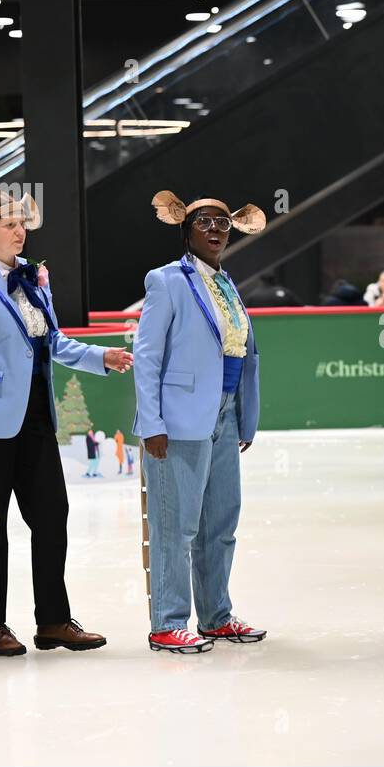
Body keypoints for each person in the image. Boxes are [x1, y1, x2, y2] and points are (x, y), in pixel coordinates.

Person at [0, 186, 133, 657]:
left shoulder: (35, 280)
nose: (20, 231)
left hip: (35, 420)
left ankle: (52, 621)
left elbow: (56, 343)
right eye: (9, 225)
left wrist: (102, 356)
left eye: (22, 224)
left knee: (52, 517)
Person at [133, 190, 269, 654]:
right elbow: (147, 357)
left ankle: (216, 615)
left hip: (226, 415)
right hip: (179, 420)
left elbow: (241, 353)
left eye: (223, 223)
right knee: (176, 524)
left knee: (221, 522)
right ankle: (168, 622)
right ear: (186, 231)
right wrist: (151, 421)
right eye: (205, 222)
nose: (215, 230)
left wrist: (244, 419)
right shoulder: (167, 280)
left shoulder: (227, 282)